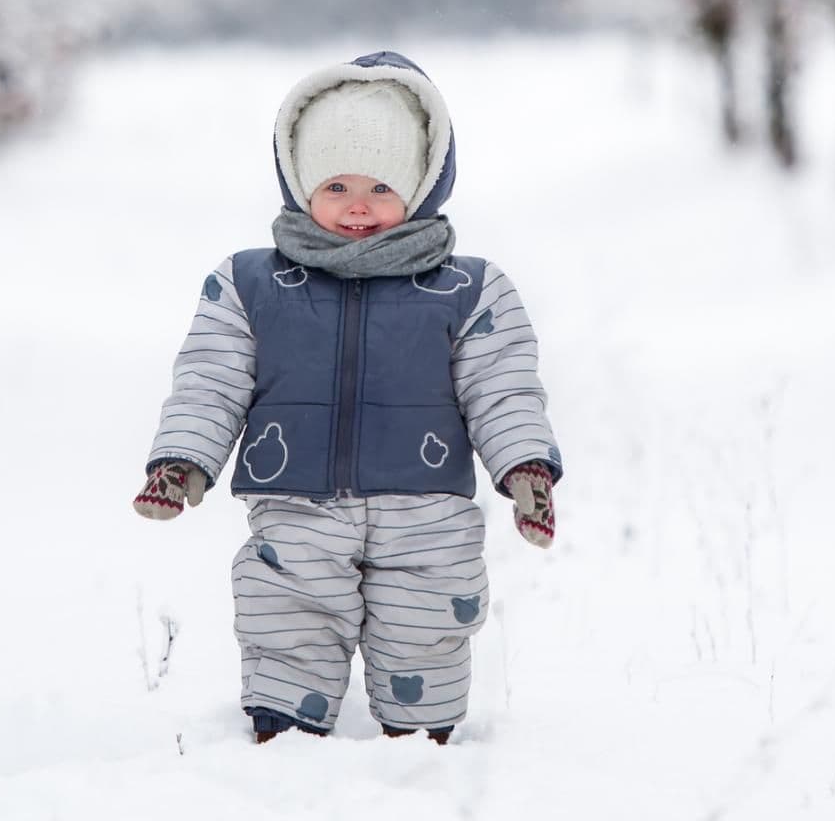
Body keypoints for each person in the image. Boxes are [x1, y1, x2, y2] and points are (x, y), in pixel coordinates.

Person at [133, 50, 562, 745]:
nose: (358, 205)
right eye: (335, 185)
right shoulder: (249, 283)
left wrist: (525, 469)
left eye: (381, 186)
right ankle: (283, 737)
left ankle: (424, 748)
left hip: (427, 512)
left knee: (427, 625)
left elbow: (503, 386)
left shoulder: (470, 290)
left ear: (422, 187)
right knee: (285, 616)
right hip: (296, 506)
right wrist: (182, 459)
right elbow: (209, 377)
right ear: (300, 183)